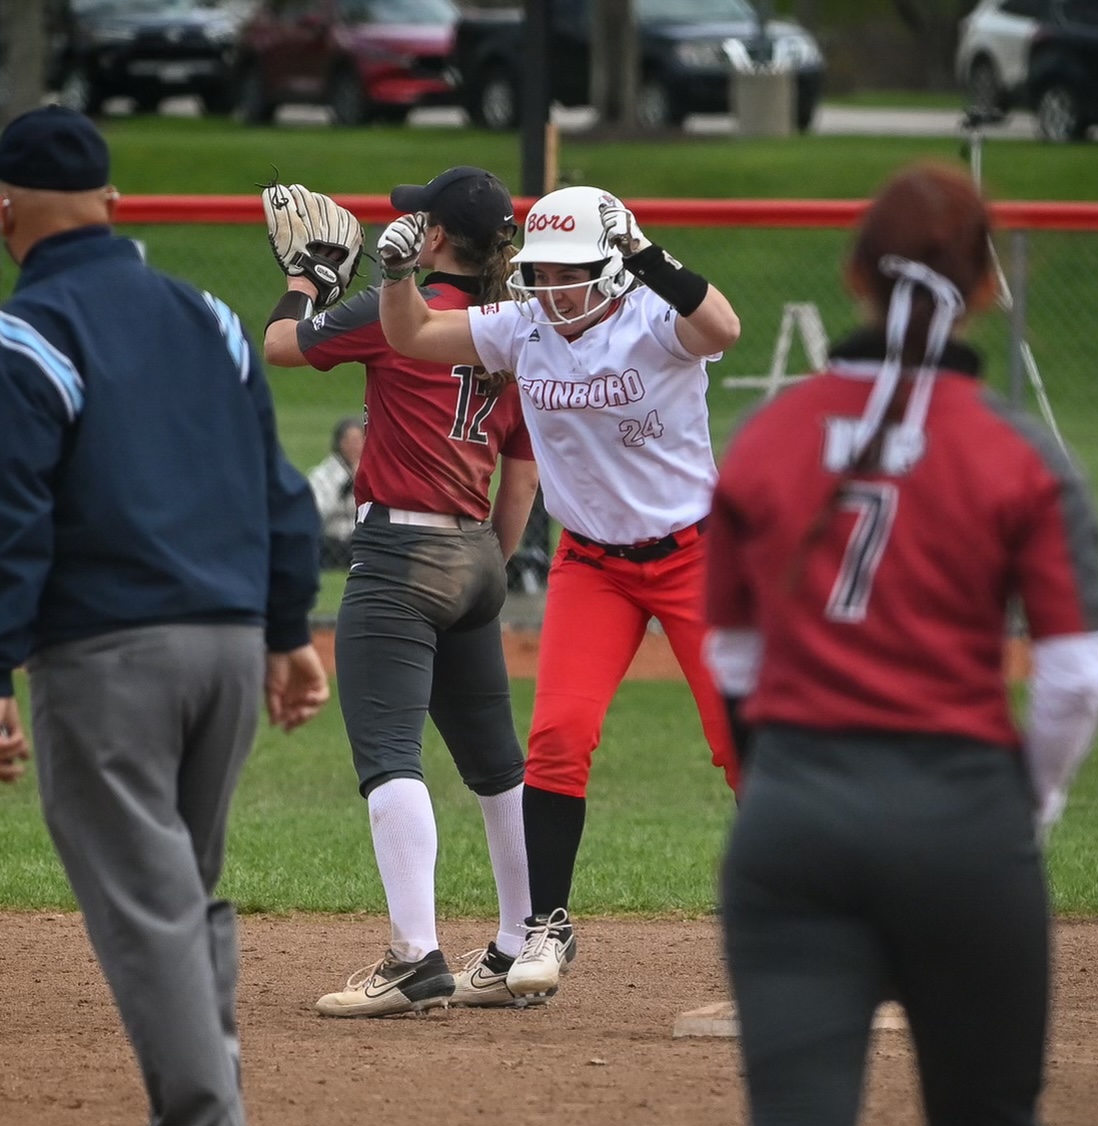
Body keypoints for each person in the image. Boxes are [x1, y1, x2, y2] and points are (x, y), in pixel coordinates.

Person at [703, 162, 1098, 1126]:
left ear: (854, 276)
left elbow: (732, 660)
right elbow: (1072, 677)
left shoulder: (766, 436)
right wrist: (1024, 801)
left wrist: (785, 781)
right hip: (959, 817)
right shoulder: (1018, 452)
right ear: (986, 286)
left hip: (793, 816)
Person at [0, 105, 328, 1126]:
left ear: (6, 213)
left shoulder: (16, 340)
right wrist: (290, 628)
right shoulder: (209, 318)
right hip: (225, 655)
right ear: (115, 205)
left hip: (108, 657)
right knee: (187, 893)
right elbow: (279, 490)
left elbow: (8, 521)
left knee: (152, 907)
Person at [375, 184, 742, 1002]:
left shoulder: (653, 316)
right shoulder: (524, 328)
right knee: (558, 735)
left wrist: (648, 251)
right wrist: (396, 272)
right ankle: (545, 925)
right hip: (593, 564)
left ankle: (807, 943)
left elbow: (722, 326)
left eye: (571, 270)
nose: (552, 285)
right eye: (540, 269)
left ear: (613, 267)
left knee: (741, 743)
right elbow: (412, 335)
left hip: (695, 555)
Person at [261, 166, 543, 1015]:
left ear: (431, 240)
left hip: (396, 554)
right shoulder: (514, 326)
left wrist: (306, 279)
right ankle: (519, 941)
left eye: (418, 218)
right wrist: (482, 564)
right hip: (475, 554)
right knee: (496, 764)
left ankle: (415, 953)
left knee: (388, 754)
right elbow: (521, 475)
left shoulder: (400, 314)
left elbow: (279, 346)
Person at [308, 416, 364, 567]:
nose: (355, 446)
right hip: (331, 539)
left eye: (358, 440)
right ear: (339, 443)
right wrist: (342, 490)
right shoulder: (322, 475)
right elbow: (318, 512)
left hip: (359, 539)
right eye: (350, 441)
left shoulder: (370, 473)